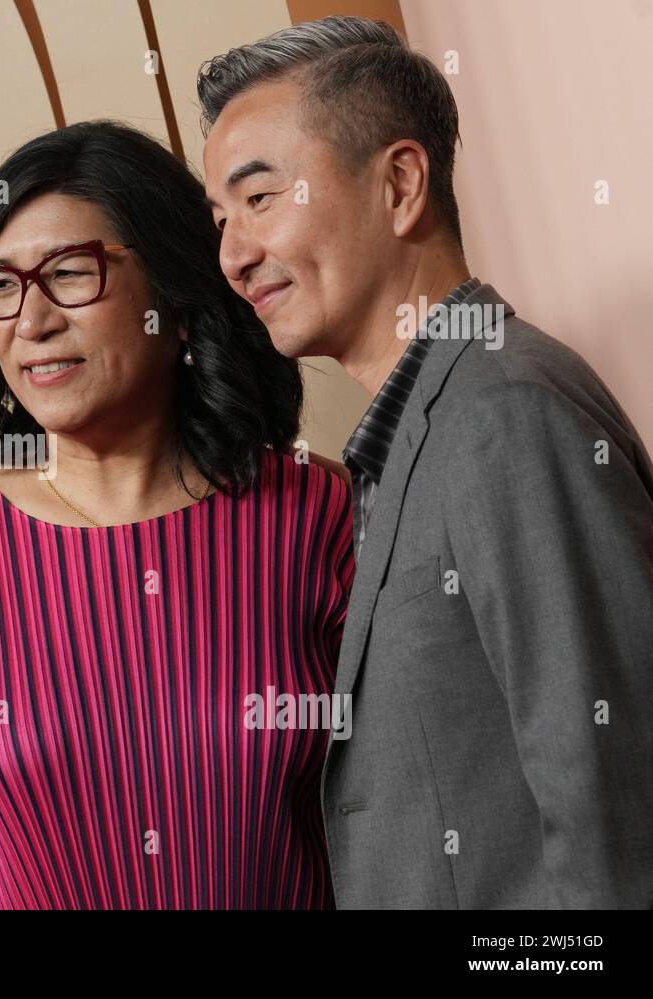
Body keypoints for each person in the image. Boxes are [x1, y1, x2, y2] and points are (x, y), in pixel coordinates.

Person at [0, 120, 355, 909]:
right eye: (0, 285)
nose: (30, 321)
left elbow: (418, 802)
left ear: (179, 298)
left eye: (71, 273)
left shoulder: (320, 517)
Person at [198, 15, 653, 908]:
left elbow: (619, 826)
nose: (233, 255)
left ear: (401, 184)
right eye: (220, 219)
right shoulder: (418, 428)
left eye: (258, 200)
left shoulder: (506, 410)